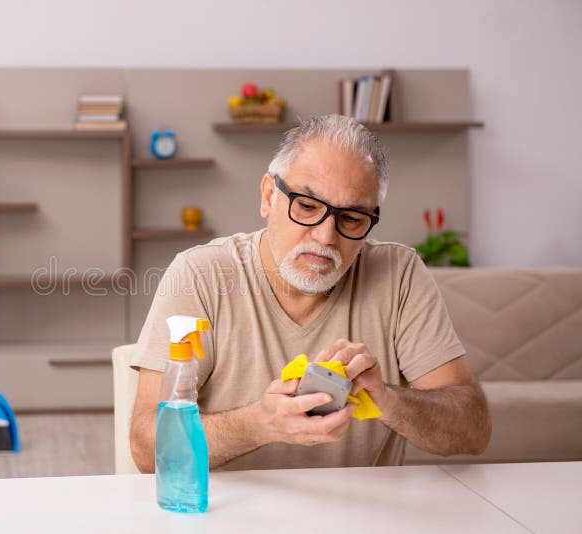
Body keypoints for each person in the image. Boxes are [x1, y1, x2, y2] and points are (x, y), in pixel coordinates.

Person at [129, 114, 491, 473]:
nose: (325, 236)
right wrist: (258, 425)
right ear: (269, 196)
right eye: (307, 206)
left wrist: (389, 399)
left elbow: (474, 431)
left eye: (351, 219)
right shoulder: (200, 275)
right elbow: (147, 448)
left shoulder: (400, 275)